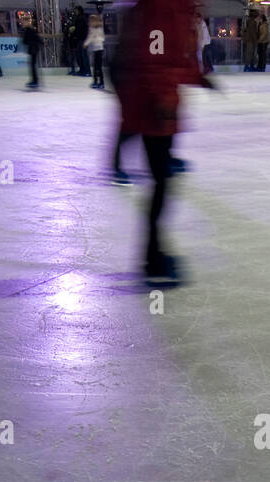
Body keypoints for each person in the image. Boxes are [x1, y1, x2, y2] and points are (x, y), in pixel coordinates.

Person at [113, 0, 213, 283]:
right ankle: (152, 258)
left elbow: (175, 56)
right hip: (154, 108)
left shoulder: (177, 7)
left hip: (157, 105)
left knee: (161, 182)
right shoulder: (162, 6)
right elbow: (153, 55)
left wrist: (199, 78)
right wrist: (160, 97)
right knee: (160, 183)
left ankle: (153, 254)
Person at [85, 12, 106, 88]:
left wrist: (87, 43)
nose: (90, 23)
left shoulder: (99, 29)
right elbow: (90, 37)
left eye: (91, 21)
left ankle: (101, 82)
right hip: (95, 49)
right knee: (95, 66)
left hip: (99, 49)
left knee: (98, 67)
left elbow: (102, 38)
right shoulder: (92, 29)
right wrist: (86, 43)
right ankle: (95, 81)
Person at [22, 18, 43, 88]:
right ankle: (35, 80)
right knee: (32, 65)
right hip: (33, 48)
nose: (23, 23)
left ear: (28, 22)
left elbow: (27, 40)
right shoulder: (29, 30)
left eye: (24, 22)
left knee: (32, 65)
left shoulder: (29, 30)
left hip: (33, 49)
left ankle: (35, 81)